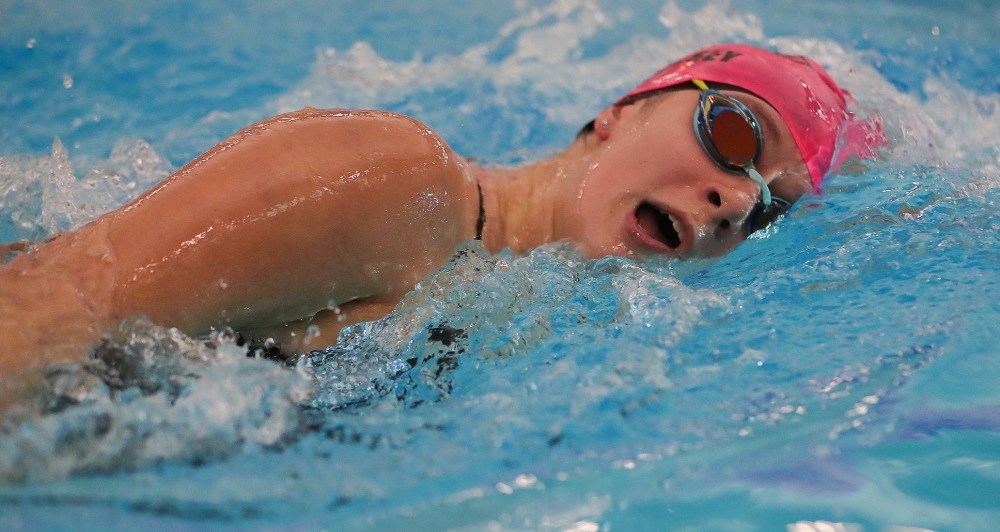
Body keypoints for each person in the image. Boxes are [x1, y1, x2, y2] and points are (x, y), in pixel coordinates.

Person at [0, 44, 881, 407]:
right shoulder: (398, 183)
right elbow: (50, 306)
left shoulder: (507, 320)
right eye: (732, 135)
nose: (736, 199)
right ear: (618, 112)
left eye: (770, 208)